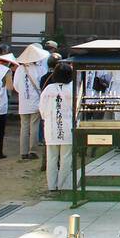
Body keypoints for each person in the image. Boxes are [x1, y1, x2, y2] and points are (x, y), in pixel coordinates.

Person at [38, 62, 75, 191]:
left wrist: (47, 118)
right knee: (66, 157)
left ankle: (51, 186)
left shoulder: (48, 89)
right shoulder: (72, 88)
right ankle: (63, 184)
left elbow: (42, 109)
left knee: (51, 157)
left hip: (51, 126)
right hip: (67, 126)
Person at [14, 44, 49, 160]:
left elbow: (16, 86)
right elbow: (43, 84)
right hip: (35, 101)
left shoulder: (19, 69)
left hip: (23, 101)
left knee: (24, 127)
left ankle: (23, 152)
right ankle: (32, 151)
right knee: (34, 126)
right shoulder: (40, 69)